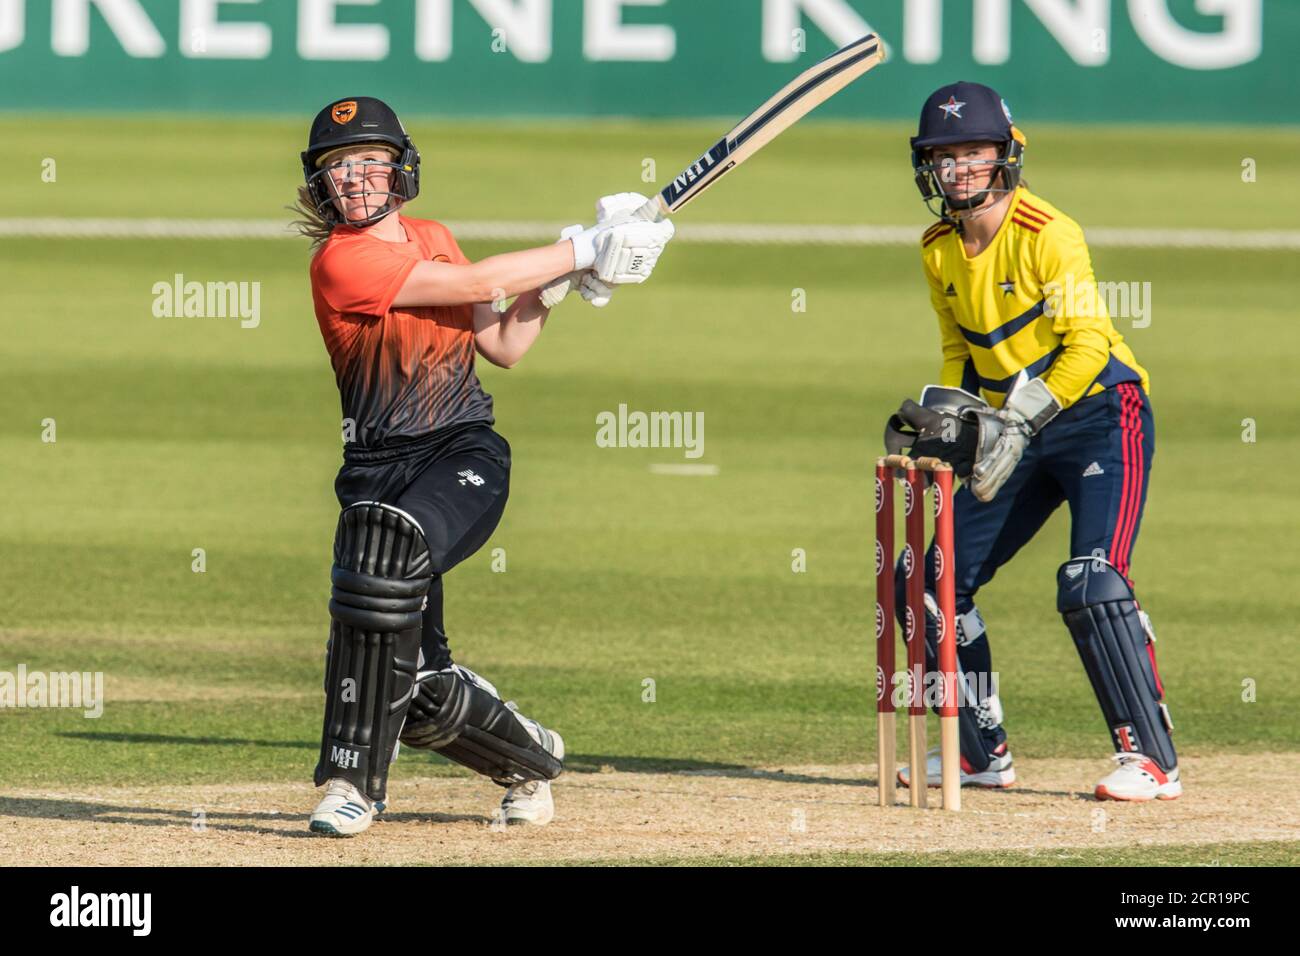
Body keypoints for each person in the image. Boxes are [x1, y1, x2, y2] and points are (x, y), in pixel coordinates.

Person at [293, 96, 675, 835]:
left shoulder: (432, 236)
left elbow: (501, 343)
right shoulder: (342, 261)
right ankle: (529, 759)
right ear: (322, 183)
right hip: (377, 470)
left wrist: (556, 288)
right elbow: (474, 286)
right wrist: (582, 249)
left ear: (400, 167)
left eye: (371, 161)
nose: (357, 178)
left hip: (462, 453)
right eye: (340, 167)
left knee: (386, 546)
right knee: (420, 688)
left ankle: (350, 783)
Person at [885, 81, 1179, 801]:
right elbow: (960, 350)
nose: (958, 168)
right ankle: (979, 752)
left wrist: (1020, 417)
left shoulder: (1048, 231)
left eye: (974, 152)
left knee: (1091, 580)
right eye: (944, 155)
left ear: (1006, 155)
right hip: (1015, 433)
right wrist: (956, 419)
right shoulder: (937, 249)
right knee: (928, 582)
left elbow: (1084, 345)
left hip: (1100, 414)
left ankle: (1151, 760)